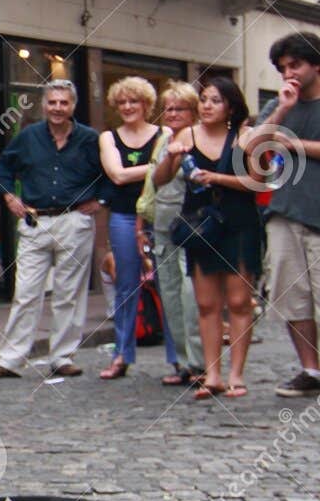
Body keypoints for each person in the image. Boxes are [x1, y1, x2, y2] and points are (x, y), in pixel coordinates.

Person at [0, 80, 105, 380]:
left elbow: (109, 173)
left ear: (73, 106)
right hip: (36, 222)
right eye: (52, 102)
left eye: (63, 103)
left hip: (74, 220)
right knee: (25, 292)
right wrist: (8, 196)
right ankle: (9, 359)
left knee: (69, 294)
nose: (57, 108)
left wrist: (101, 199)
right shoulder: (28, 137)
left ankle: (62, 357)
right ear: (44, 105)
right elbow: (4, 169)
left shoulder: (89, 139)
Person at [154, 75, 263, 399]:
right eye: (204, 100)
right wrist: (173, 156)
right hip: (201, 227)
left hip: (239, 224)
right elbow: (160, 179)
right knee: (206, 303)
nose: (207, 106)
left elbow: (256, 182)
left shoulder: (245, 136)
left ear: (230, 105)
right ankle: (212, 374)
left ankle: (237, 376)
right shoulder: (186, 134)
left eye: (215, 100)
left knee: (239, 301)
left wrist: (216, 177)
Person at [254, 31, 320, 398]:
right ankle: (310, 369)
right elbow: (250, 149)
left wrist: (293, 143)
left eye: (295, 65)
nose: (288, 74)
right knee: (292, 295)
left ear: (316, 64)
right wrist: (281, 110)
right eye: (282, 69)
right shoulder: (280, 105)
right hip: (283, 212)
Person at [97, 77, 166, 380]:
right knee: (126, 285)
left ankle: (180, 358)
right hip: (124, 215)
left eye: (133, 101)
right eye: (122, 102)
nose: (127, 107)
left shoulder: (164, 134)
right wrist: (157, 166)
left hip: (161, 216)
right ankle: (122, 354)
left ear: (146, 105)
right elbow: (118, 176)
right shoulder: (109, 137)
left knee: (169, 285)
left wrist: (152, 168)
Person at [144, 82, 204, 386]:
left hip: (192, 229)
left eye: (179, 108)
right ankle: (182, 362)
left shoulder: (199, 140)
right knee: (169, 294)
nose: (172, 113)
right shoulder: (164, 141)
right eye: (168, 108)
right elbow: (153, 184)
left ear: (193, 112)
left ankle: (200, 362)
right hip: (163, 227)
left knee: (191, 294)